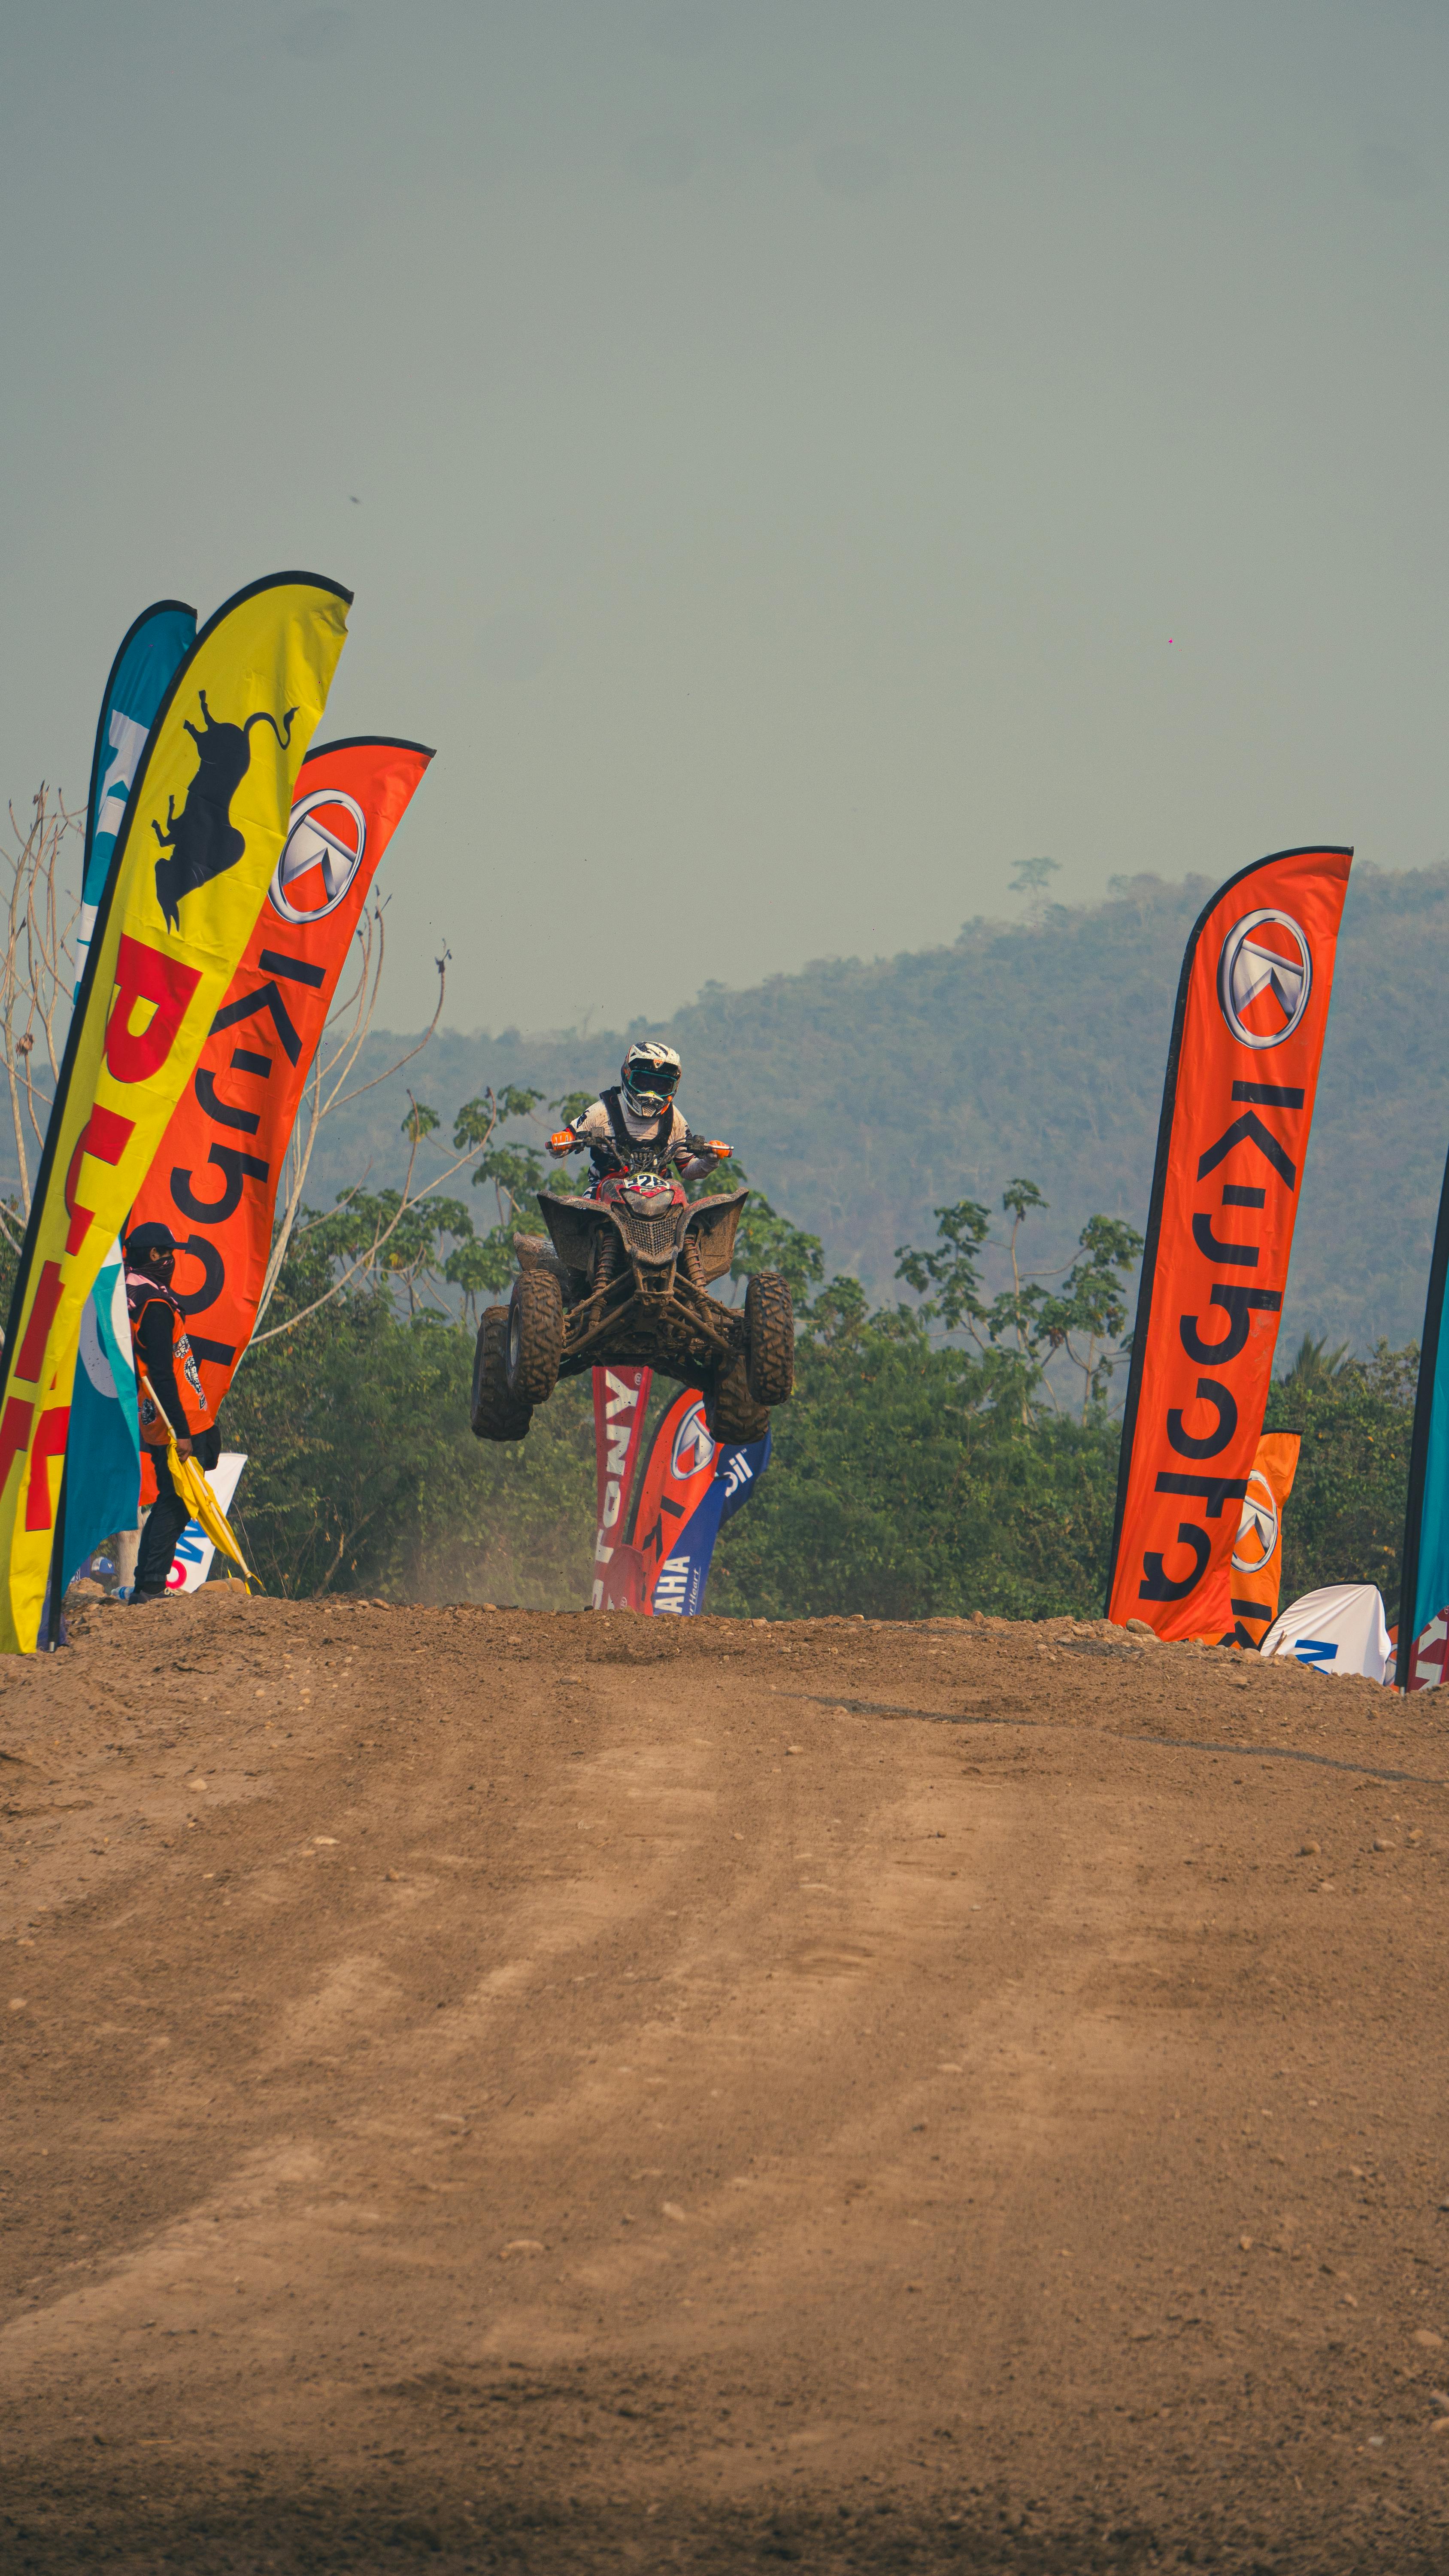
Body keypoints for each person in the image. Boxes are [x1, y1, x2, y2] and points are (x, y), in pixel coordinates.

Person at [123, 1221, 219, 1604]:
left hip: (155, 1415)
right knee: (177, 1502)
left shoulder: (130, 1291)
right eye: (166, 1254)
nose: (172, 1260)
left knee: (168, 1497)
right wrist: (183, 1432)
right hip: (175, 1417)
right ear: (152, 1257)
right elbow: (163, 1374)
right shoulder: (156, 1306)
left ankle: (145, 1582)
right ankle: (151, 1586)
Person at [548, 1042, 729, 1187]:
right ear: (628, 1075)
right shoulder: (604, 1110)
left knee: (692, 1216)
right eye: (644, 1082)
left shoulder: (674, 1119)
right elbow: (567, 1139)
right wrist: (561, 1143)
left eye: (661, 1086)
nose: (652, 1094)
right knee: (577, 1213)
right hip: (605, 1187)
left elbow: (687, 1169)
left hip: (663, 1192)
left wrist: (710, 1160)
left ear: (673, 1087)